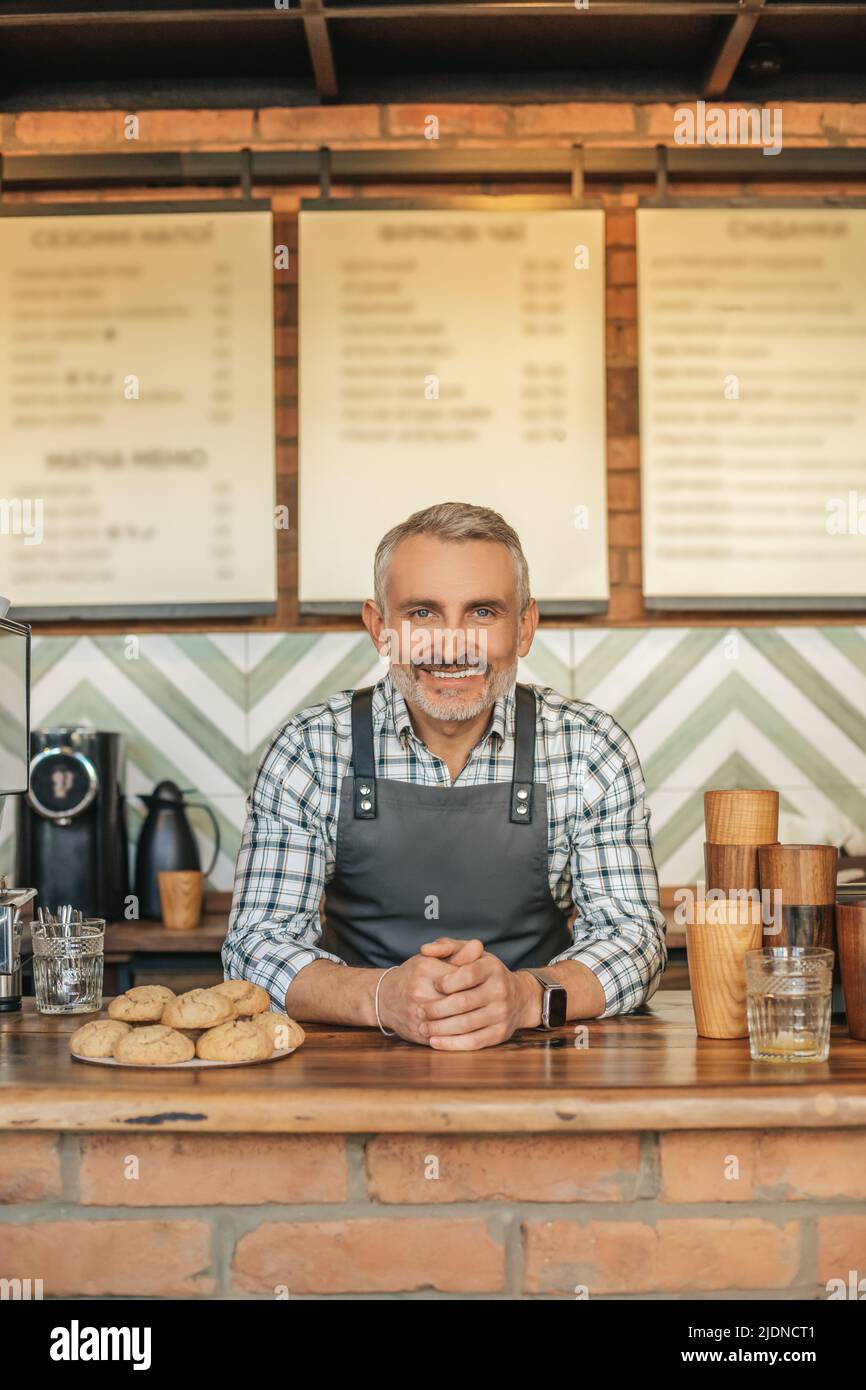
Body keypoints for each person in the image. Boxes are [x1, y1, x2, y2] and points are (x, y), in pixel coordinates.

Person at [224, 501, 667, 1050]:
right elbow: (254, 946)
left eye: (482, 612)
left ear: (524, 627)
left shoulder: (589, 747)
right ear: (379, 628)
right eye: (423, 614)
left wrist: (527, 997)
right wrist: (383, 997)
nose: (452, 645)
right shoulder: (311, 748)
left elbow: (634, 939)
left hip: (537, 1060)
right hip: (355, 1063)